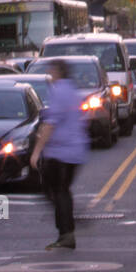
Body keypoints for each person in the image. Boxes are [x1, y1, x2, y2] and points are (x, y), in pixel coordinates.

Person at [30, 59, 88, 250]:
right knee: (61, 189)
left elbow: (50, 124)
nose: (50, 75)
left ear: (58, 72)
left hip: (61, 152)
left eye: (51, 71)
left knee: (53, 189)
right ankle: (66, 226)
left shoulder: (59, 91)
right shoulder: (71, 90)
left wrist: (36, 152)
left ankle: (66, 230)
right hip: (75, 149)